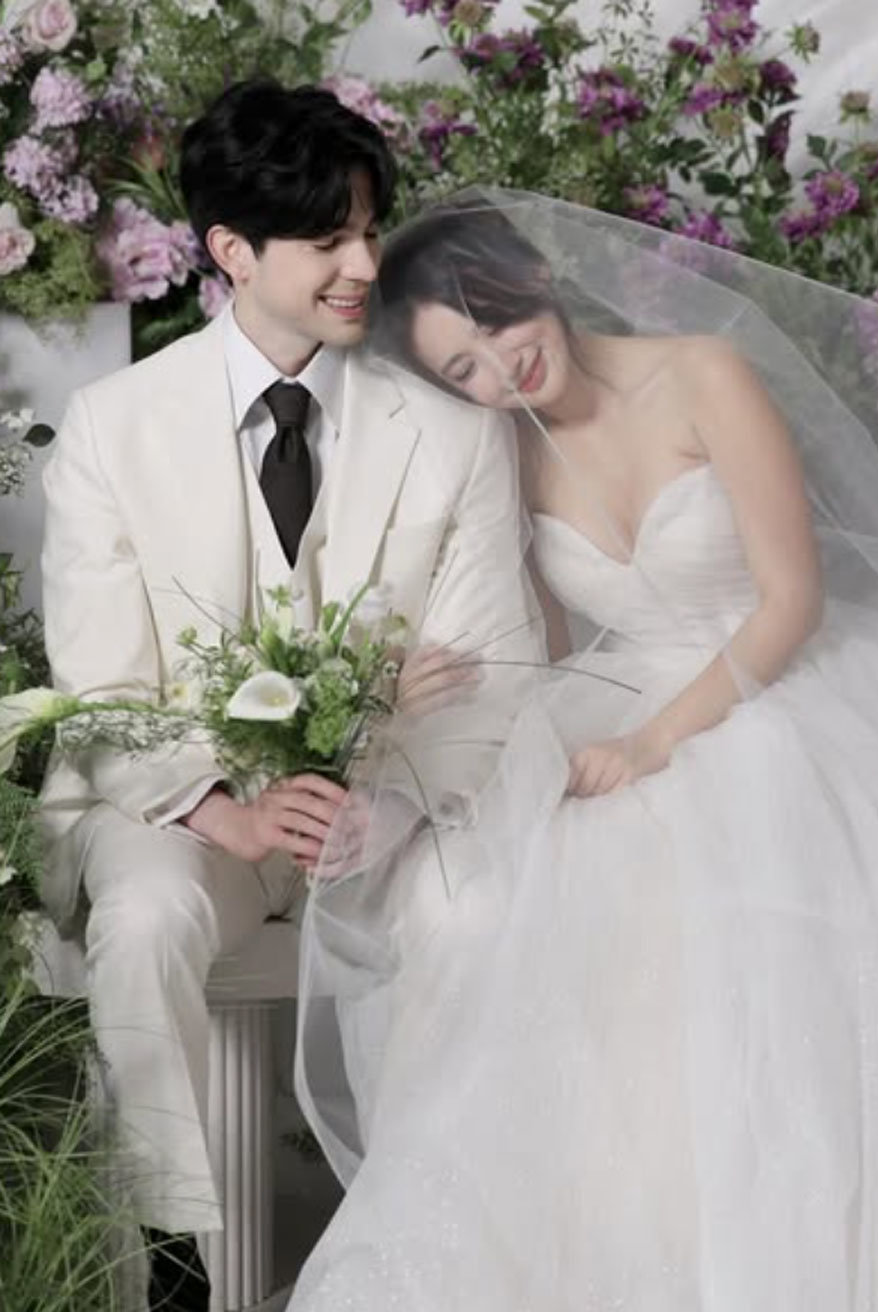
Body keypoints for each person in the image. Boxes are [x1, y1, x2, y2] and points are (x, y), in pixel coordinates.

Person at [288, 195, 878, 1310]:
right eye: (463, 368)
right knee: (502, 904)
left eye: (495, 322)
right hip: (612, 700)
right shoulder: (507, 451)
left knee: (743, 912)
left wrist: (655, 741)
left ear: (532, 273)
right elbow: (540, 645)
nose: (501, 368)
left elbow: (794, 599)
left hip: (777, 687)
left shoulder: (702, 372)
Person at [39, 96, 537, 1310]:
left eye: (369, 229)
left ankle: (442, 1259)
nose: (364, 264)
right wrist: (221, 808)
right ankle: (170, 1257)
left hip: (385, 806)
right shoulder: (112, 426)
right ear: (232, 252)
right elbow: (103, 688)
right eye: (327, 240)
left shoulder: (454, 431)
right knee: (147, 916)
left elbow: (492, 665)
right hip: (176, 810)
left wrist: (388, 804)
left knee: (475, 913)